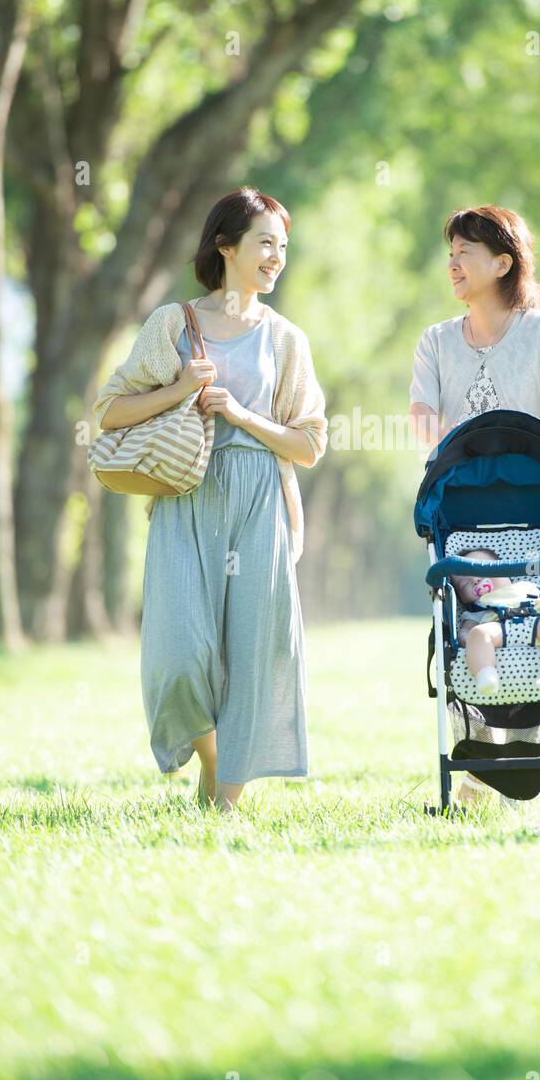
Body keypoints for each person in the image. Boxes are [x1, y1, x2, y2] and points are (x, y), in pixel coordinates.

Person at [92, 187, 327, 812]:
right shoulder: (173, 324)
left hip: (260, 504)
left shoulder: (286, 341)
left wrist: (243, 415)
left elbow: (308, 445)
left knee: (253, 651)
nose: (276, 257)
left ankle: (223, 805)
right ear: (225, 246)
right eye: (264, 243)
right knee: (176, 655)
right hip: (185, 497)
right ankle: (213, 757)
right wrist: (179, 390)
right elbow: (108, 413)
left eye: (283, 246)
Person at [408, 204, 540, 804]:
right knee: (479, 626)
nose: (453, 262)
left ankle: (521, 758)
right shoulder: (436, 341)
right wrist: (437, 445)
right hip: (465, 515)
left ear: (502, 262)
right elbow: (421, 416)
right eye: (452, 252)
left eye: (465, 251)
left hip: (538, 510)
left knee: (539, 617)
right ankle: (485, 766)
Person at [451, 546, 540, 697]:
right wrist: (467, 638)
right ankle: (486, 675)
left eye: (481, 570)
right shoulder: (477, 609)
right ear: (462, 599)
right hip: (499, 632)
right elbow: (466, 632)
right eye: (465, 585)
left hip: (539, 624)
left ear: (505, 570)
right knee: (478, 633)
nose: (475, 580)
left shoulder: (528, 587)